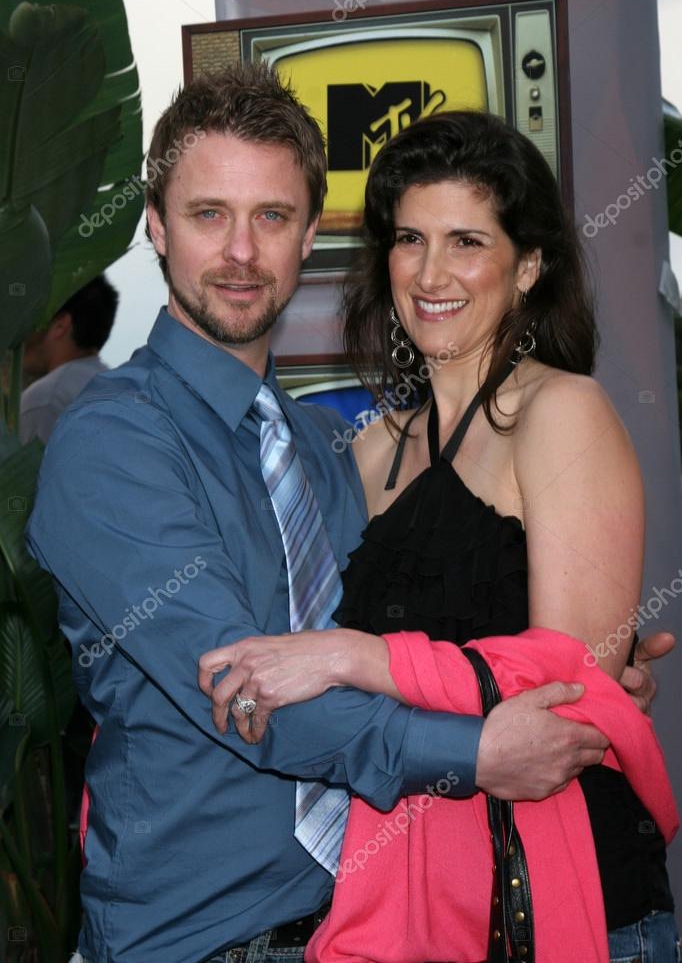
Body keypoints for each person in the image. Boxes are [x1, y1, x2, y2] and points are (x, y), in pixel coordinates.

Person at [197, 112, 680, 963]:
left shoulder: (561, 412)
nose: (430, 272)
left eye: (466, 240)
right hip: (413, 910)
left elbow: (574, 678)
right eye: (410, 238)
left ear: (527, 265)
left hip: (565, 898)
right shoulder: (369, 450)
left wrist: (353, 656)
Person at [20, 274, 118, 444]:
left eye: (33, 321)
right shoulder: (118, 386)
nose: (24, 336)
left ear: (60, 325)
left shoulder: (47, 400)